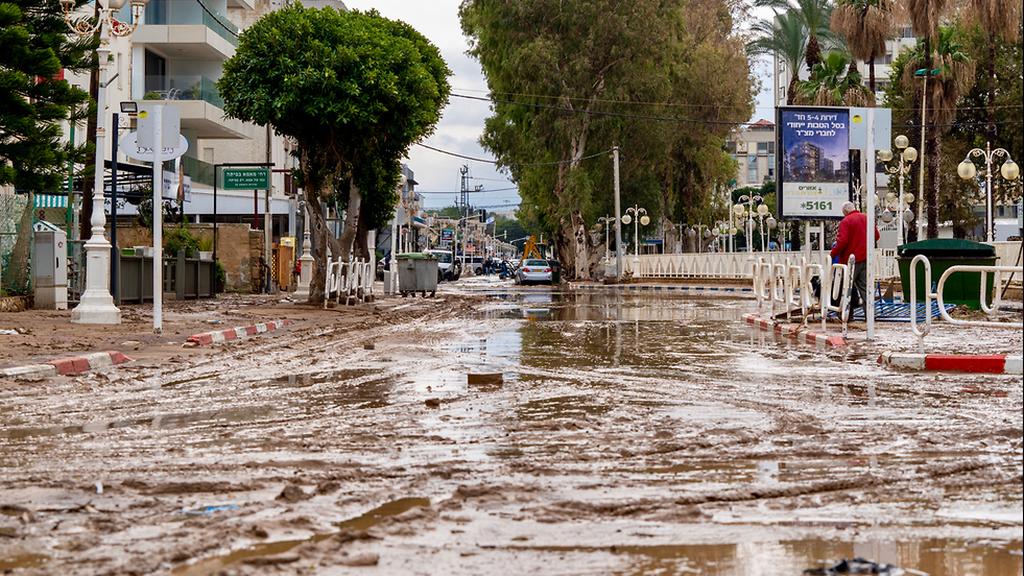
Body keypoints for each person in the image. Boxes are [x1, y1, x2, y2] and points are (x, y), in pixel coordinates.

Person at [831, 201, 880, 313]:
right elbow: (876, 236)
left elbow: (842, 241)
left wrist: (832, 254)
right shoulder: (867, 218)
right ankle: (870, 315)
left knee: (846, 287)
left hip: (850, 261)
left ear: (845, 211)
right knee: (865, 288)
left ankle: (846, 315)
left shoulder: (846, 221)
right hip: (866, 258)